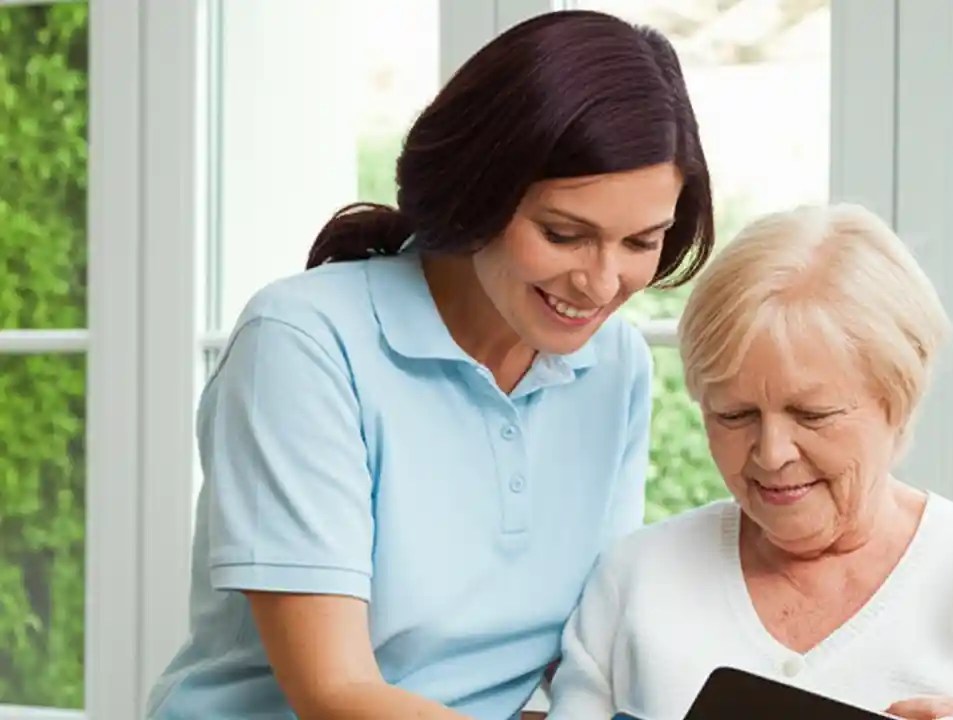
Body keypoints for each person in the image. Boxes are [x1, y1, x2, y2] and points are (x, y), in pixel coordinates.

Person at [145, 10, 713, 720]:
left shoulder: (614, 363)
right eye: (564, 234)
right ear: (478, 190)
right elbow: (335, 694)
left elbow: (591, 649)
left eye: (641, 241)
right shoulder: (303, 341)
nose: (601, 284)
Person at [545, 204, 953, 720]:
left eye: (813, 414)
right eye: (734, 416)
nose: (772, 455)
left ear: (896, 401)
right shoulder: (637, 580)